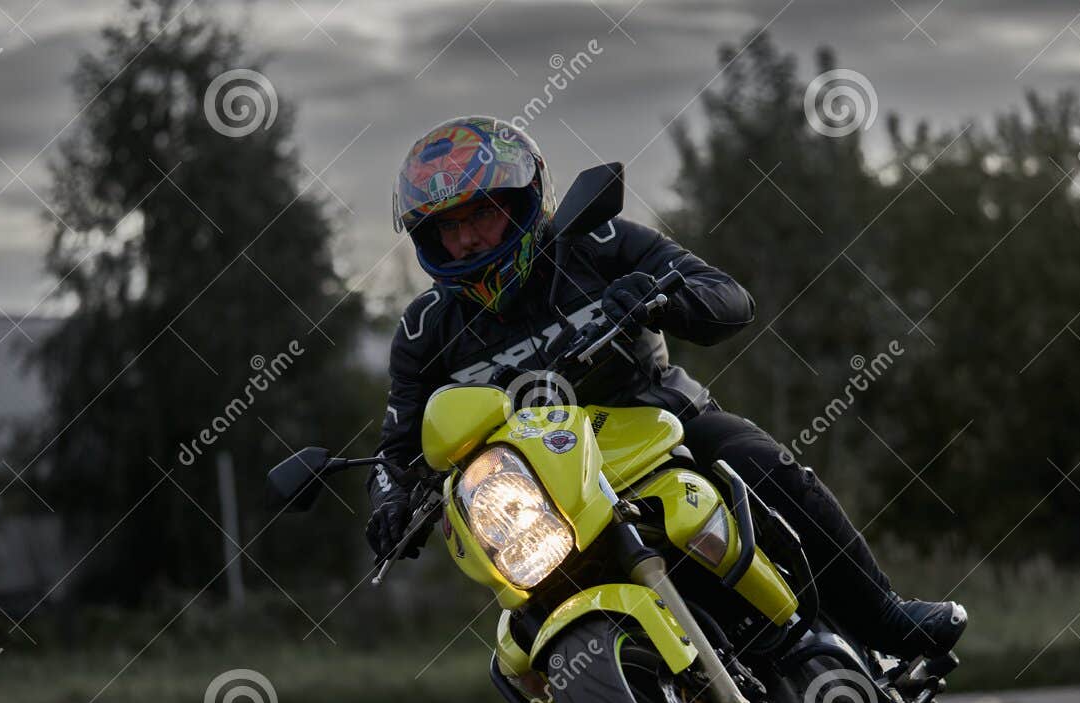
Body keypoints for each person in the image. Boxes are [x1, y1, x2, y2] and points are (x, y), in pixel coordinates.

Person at [366, 116, 966, 660]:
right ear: (427, 236)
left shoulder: (597, 246)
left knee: (755, 457)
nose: (467, 239)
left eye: (481, 214)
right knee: (515, 646)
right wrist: (389, 498)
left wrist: (665, 300)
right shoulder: (424, 331)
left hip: (663, 428)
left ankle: (885, 620)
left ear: (523, 203)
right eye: (449, 226)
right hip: (544, 492)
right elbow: (398, 447)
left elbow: (729, 298)